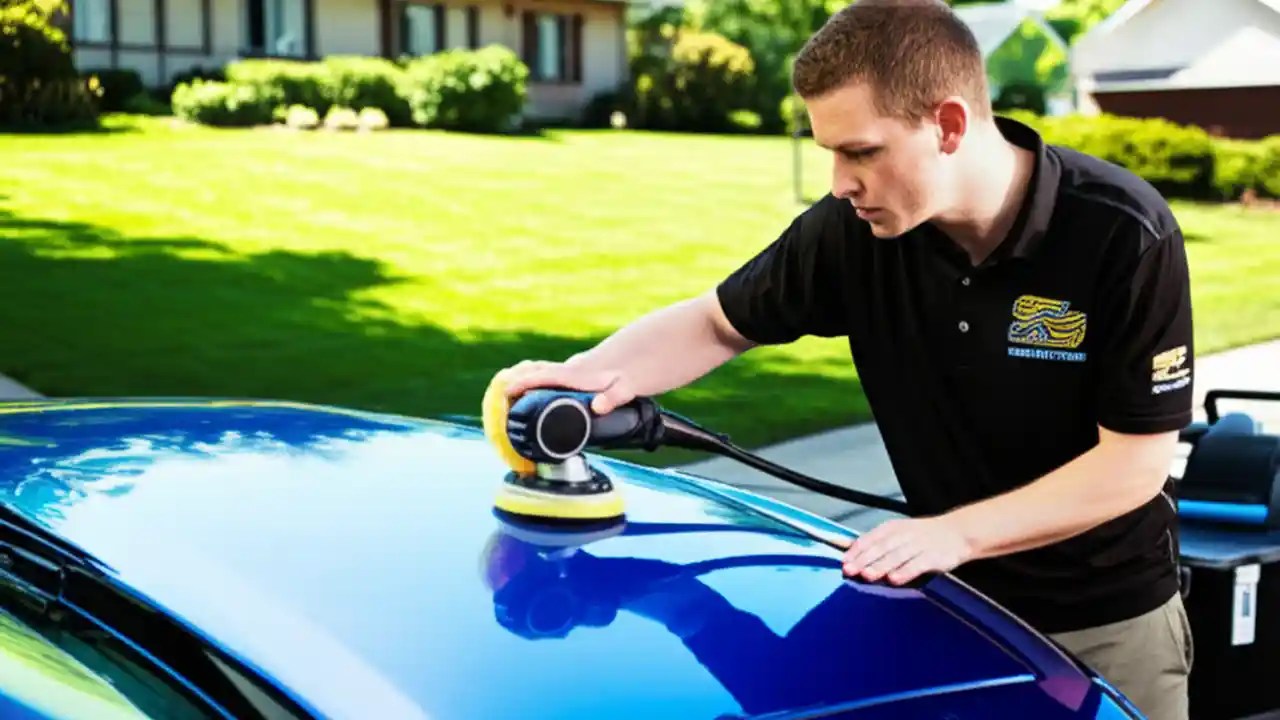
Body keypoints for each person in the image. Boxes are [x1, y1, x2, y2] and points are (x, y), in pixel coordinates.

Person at [497, 0, 1195, 716]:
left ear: (948, 126)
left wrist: (954, 534)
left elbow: (1132, 467)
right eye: (830, 151)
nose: (839, 182)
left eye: (861, 152)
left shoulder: (1123, 234)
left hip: (1105, 624)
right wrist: (590, 374)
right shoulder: (854, 232)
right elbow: (717, 323)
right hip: (941, 600)